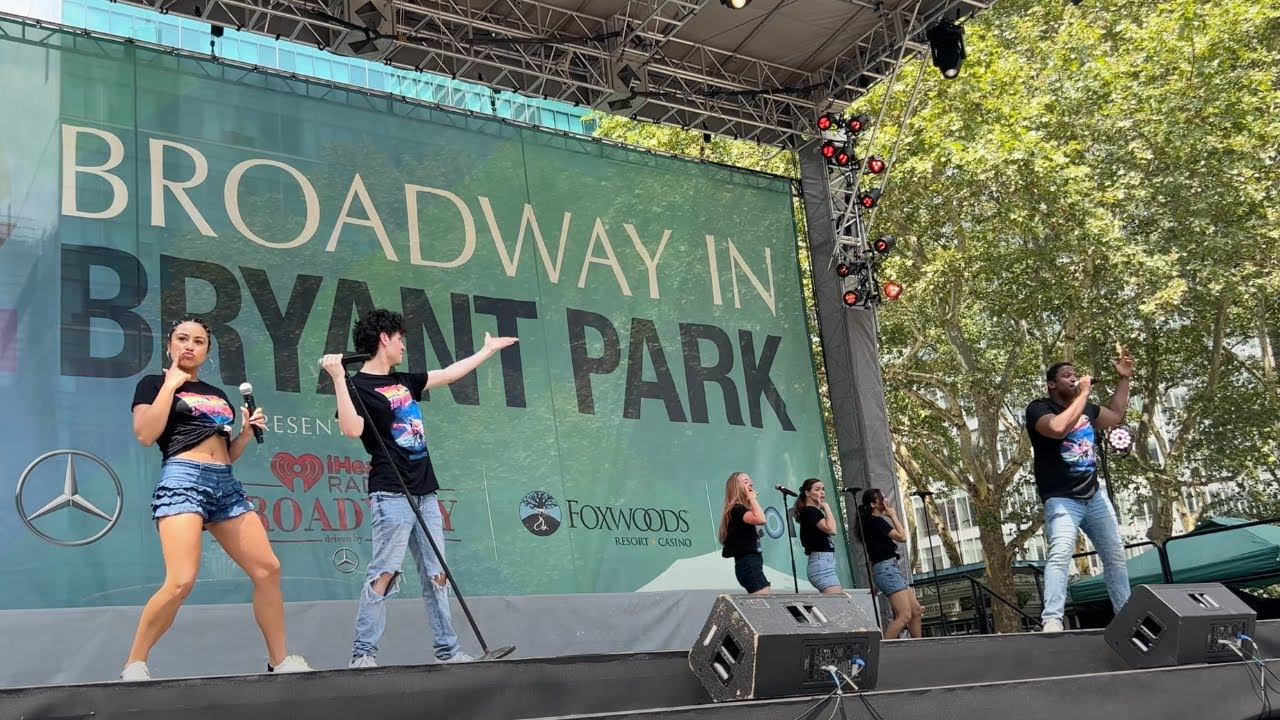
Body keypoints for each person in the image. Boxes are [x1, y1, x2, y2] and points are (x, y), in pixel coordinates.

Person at [321, 309, 518, 668]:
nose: (403, 345)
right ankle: (362, 655)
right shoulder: (355, 386)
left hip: (425, 492)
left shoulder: (404, 380)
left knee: (437, 574)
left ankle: (449, 650)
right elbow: (351, 430)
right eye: (399, 338)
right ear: (384, 337)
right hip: (390, 492)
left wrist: (486, 351)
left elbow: (448, 374)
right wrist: (338, 378)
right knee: (384, 574)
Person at [121, 316, 312, 681]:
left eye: (198, 341)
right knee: (180, 580)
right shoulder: (152, 384)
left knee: (267, 569)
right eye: (182, 339)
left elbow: (227, 452)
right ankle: (134, 662)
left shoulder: (217, 393)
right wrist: (171, 384)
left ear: (207, 350)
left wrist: (244, 433)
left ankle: (279, 660)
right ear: (169, 345)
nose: (189, 346)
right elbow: (145, 434)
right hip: (183, 479)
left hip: (225, 483)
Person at [1026, 351, 1133, 632]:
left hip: (1094, 495)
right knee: (1060, 554)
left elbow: (1117, 416)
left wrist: (1124, 379)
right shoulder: (1039, 408)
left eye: (1076, 375)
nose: (1074, 378)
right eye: (1067, 375)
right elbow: (1059, 429)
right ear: (1052, 384)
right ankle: (1052, 617)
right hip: (1062, 498)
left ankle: (1126, 616)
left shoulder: (1087, 408)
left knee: (1115, 557)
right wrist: (1084, 393)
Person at [860, 488, 922, 639]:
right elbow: (902, 537)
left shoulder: (871, 522)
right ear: (874, 504)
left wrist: (874, 579)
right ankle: (884, 651)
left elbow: (873, 553)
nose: (886, 500)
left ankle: (918, 646)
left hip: (888, 569)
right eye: (882, 498)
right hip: (887, 570)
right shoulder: (876, 522)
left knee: (915, 610)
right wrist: (893, 516)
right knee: (904, 615)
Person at [718, 471, 770, 594]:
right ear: (736, 487)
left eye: (750, 480)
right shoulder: (736, 509)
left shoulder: (741, 509)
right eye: (745, 481)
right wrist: (752, 499)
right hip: (748, 565)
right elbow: (761, 519)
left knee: (765, 606)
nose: (750, 483)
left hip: (752, 565)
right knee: (765, 606)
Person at [794, 478, 842, 594]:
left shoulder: (812, 511)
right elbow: (832, 529)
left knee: (837, 605)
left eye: (823, 489)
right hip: (821, 563)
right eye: (817, 489)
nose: (822, 492)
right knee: (839, 605)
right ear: (807, 493)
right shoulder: (810, 511)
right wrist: (826, 507)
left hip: (824, 562)